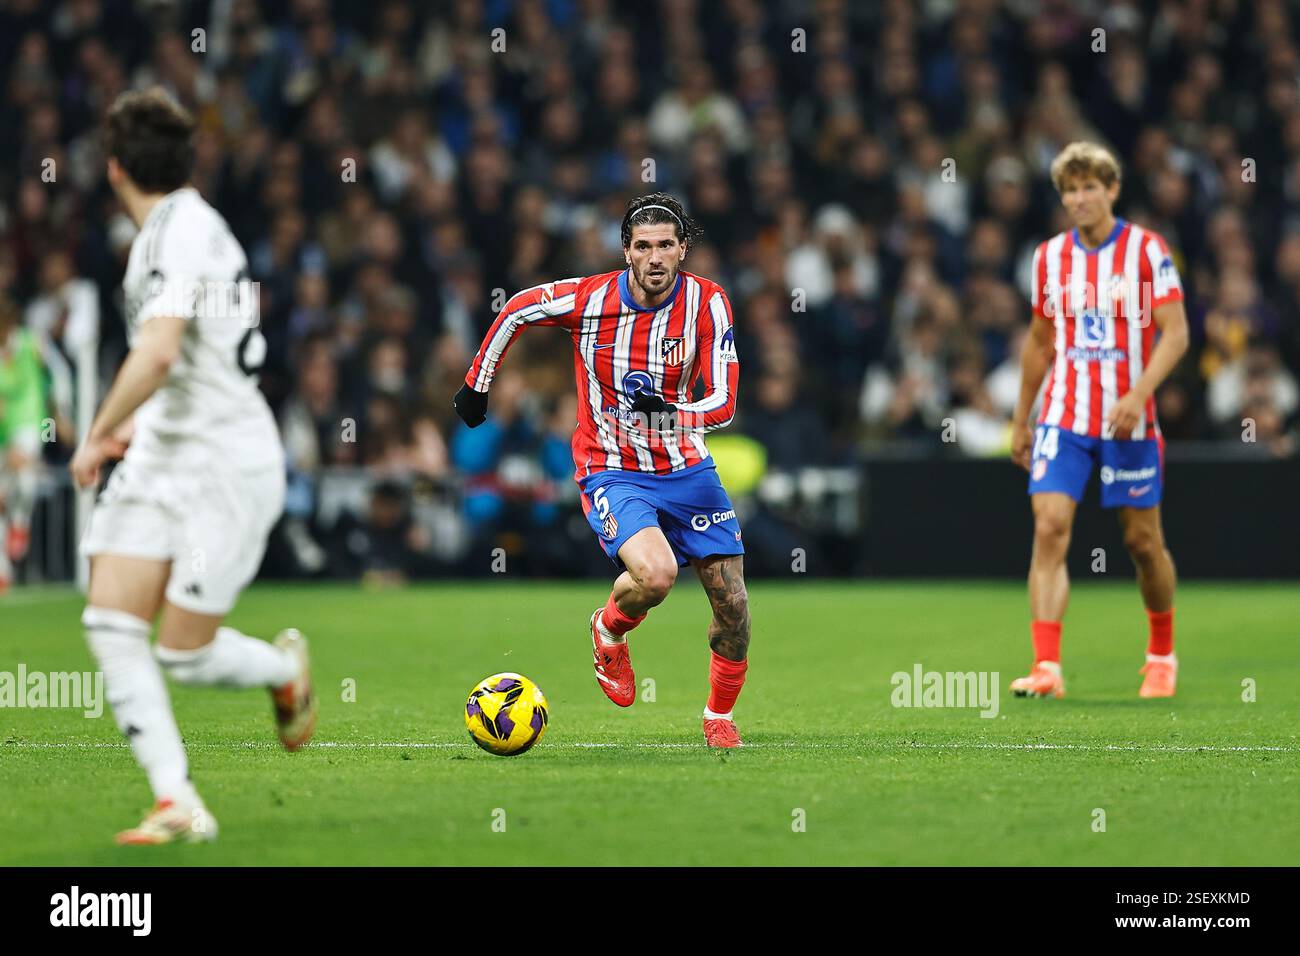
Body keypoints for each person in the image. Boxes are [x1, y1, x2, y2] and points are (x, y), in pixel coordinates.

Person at [69, 88, 316, 844]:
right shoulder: (171, 232)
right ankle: (176, 800)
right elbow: (191, 362)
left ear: (114, 168)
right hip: (165, 449)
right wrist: (135, 427)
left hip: (223, 464)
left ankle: (283, 672)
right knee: (110, 618)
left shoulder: (182, 232)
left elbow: (161, 351)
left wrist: (94, 432)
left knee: (184, 653)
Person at [453, 193, 751, 747]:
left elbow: (725, 401)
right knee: (657, 576)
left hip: (688, 466)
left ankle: (717, 716)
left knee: (732, 605)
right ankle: (609, 629)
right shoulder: (589, 299)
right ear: (627, 252)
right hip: (612, 467)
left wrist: (675, 415)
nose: (656, 257)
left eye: (666, 245)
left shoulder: (708, 304)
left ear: (683, 249)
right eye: (644, 246)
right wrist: (477, 384)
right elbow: (518, 307)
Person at [1010, 142, 1189, 699]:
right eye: (1070, 189)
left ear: (1112, 190)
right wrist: (1022, 418)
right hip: (1064, 417)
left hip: (1127, 423)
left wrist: (1139, 392)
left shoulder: (1145, 250)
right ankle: (1047, 667)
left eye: (1090, 187)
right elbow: (1040, 343)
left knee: (1141, 542)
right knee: (1049, 526)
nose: (1079, 198)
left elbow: (1177, 332)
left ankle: (1161, 655)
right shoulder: (1048, 258)